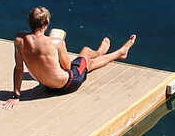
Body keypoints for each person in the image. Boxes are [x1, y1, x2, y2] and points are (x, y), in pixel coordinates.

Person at [7, 7, 136, 102]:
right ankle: (106, 52)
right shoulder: (56, 42)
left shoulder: (19, 40)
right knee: (85, 52)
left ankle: (116, 53)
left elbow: (19, 68)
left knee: (86, 66)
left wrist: (16, 96)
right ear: (46, 24)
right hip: (68, 84)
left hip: (47, 86)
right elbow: (68, 67)